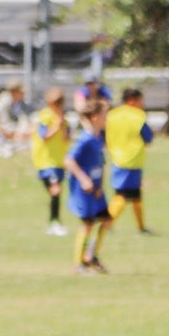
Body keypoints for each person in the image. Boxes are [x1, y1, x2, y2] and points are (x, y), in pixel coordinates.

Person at [67, 109, 112, 271]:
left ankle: (90, 256)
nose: (106, 118)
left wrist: (100, 185)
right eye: (104, 115)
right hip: (84, 190)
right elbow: (69, 161)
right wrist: (83, 179)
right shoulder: (84, 139)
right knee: (87, 224)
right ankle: (78, 264)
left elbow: (100, 163)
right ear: (95, 117)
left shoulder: (98, 137)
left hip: (97, 190)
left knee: (106, 221)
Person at [106, 86, 154, 230]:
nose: (142, 105)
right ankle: (107, 222)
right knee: (122, 195)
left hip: (117, 158)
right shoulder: (137, 116)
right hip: (132, 159)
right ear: (132, 101)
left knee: (135, 194)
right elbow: (148, 137)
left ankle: (141, 226)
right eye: (140, 101)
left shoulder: (112, 114)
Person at [30, 87, 70, 233]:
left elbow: (67, 139)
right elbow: (44, 136)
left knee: (57, 191)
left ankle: (55, 222)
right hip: (46, 162)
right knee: (56, 190)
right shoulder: (45, 116)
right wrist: (56, 126)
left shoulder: (63, 118)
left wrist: (63, 125)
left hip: (58, 161)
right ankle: (54, 223)